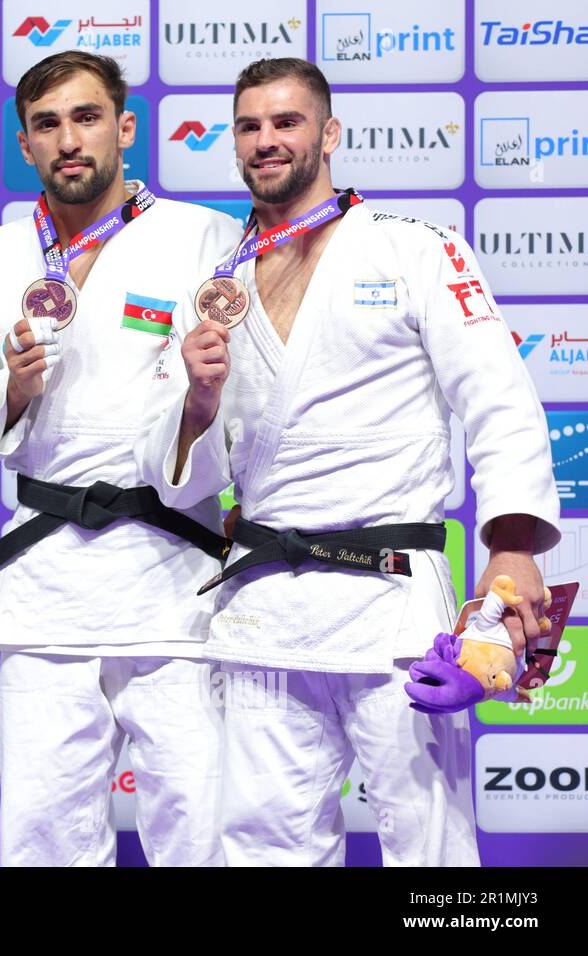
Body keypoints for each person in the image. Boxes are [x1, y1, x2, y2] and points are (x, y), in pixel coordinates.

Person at [143, 57, 560, 866]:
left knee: (429, 841)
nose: (267, 141)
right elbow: (181, 478)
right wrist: (192, 404)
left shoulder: (417, 249)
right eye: (250, 126)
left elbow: (500, 399)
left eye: (287, 121)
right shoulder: (214, 284)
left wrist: (510, 549)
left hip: (390, 599)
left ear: (329, 133)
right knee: (263, 845)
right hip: (265, 605)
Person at [0, 51, 239, 866]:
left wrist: (200, 402)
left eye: (86, 117)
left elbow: (239, 407)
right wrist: (7, 392)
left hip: (173, 575)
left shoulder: (204, 237)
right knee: (43, 832)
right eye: (47, 125)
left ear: (125, 127)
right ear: (25, 144)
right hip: (49, 580)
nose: (68, 139)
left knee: (198, 824)